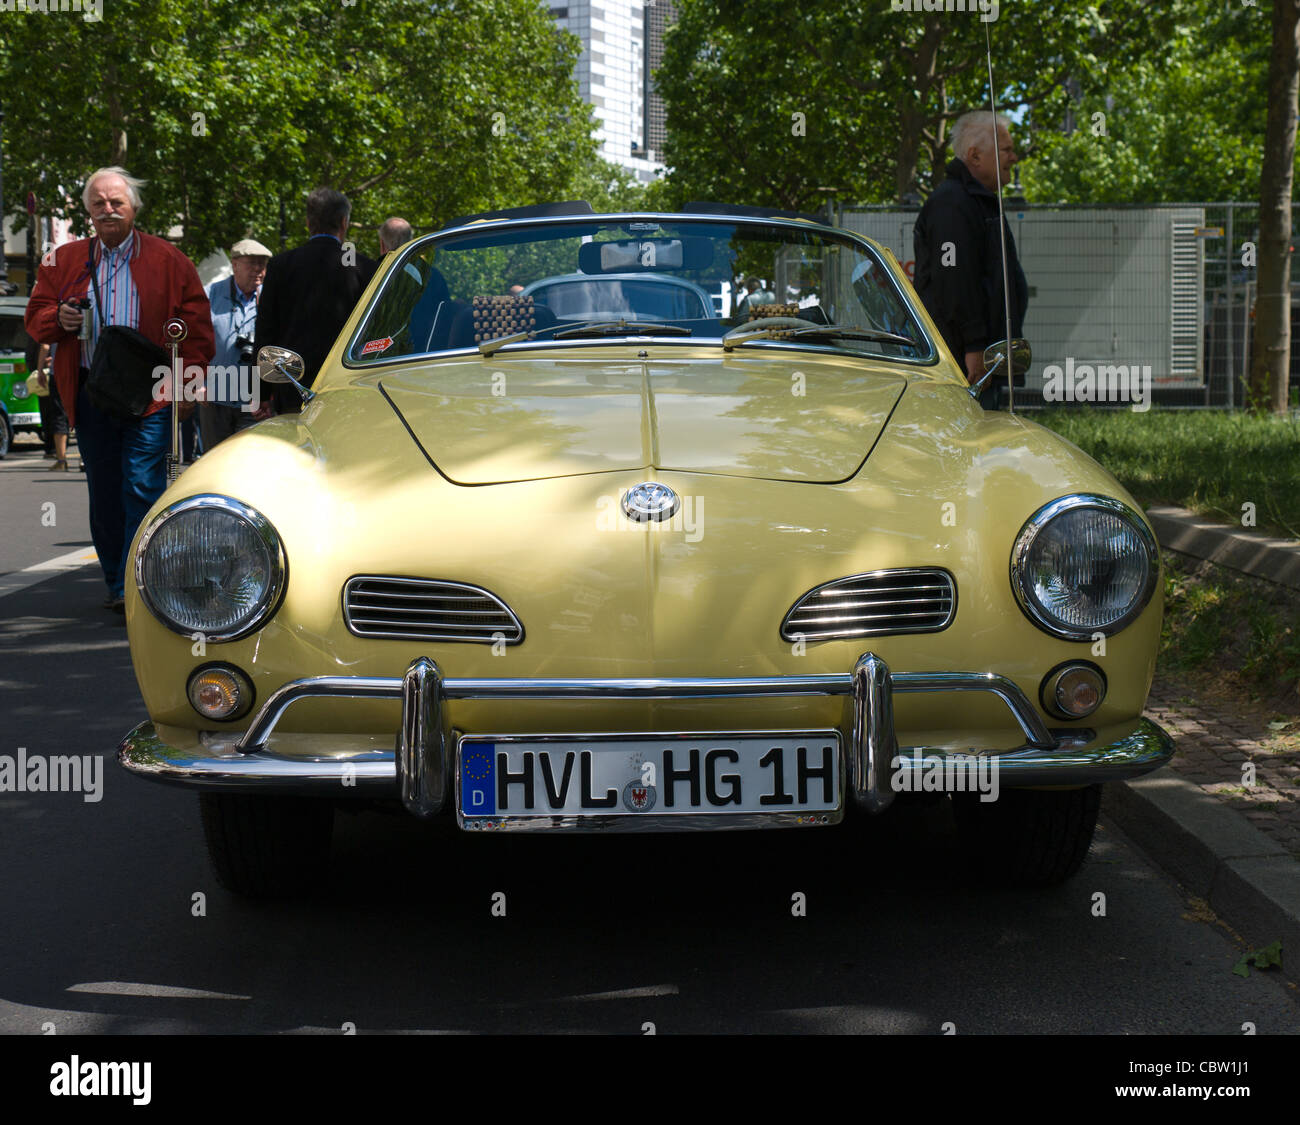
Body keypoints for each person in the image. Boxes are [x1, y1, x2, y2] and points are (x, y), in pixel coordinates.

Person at [25, 166, 214, 612]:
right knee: (106, 491)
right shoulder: (62, 259)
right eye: (99, 204)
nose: (108, 210)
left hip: (151, 393)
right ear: (87, 210)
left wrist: (187, 384)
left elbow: (198, 329)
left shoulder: (170, 259)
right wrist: (60, 321)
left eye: (117, 203)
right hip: (91, 393)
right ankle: (116, 581)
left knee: (141, 485)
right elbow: (36, 317)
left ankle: (139, 587)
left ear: (134, 208)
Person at [912, 109, 1028, 409]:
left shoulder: (979, 202)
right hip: (968, 366)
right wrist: (975, 347)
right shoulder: (952, 203)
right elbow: (953, 279)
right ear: (975, 156)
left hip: (987, 362)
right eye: (1007, 150)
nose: (1014, 158)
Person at [254, 187, 377, 413]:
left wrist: (260, 393)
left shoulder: (281, 266)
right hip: (348, 387)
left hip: (292, 386)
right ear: (343, 222)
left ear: (308, 223)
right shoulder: (364, 268)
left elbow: (265, 333)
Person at [200, 238, 272, 450]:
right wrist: (197, 381)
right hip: (214, 395)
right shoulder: (209, 293)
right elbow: (194, 340)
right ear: (235, 264)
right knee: (213, 463)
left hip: (254, 400)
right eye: (252, 263)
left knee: (247, 465)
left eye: (263, 264)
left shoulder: (270, 297)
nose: (258, 270)